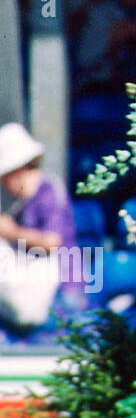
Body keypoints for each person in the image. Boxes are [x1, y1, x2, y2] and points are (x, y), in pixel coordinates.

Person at [0, 124, 75, 330]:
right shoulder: (21, 205)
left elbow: (52, 242)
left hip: (60, 285)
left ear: (17, 171)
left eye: (5, 178)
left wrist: (10, 232)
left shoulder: (50, 191)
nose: (5, 185)